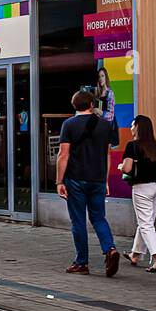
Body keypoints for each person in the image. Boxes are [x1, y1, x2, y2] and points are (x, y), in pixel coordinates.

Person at [56, 90, 120, 276]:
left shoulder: (69, 124)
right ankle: (110, 249)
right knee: (99, 217)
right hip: (98, 178)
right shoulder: (105, 125)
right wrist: (105, 179)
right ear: (92, 105)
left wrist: (60, 181)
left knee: (78, 221)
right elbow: (107, 155)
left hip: (76, 178)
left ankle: (82, 262)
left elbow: (63, 155)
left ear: (74, 105)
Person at [121, 114, 156, 273]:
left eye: (132, 125)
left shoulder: (132, 146)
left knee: (146, 223)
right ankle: (135, 254)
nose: (130, 128)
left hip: (143, 188)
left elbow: (127, 169)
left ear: (138, 128)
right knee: (147, 221)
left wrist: (121, 167)